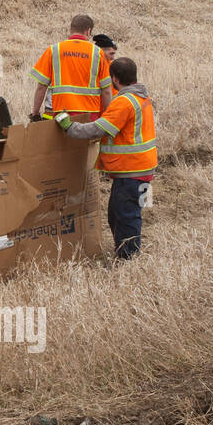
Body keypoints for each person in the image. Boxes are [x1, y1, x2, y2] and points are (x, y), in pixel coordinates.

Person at [54, 56, 157, 260]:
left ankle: (128, 259)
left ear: (115, 79)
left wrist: (70, 127)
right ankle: (127, 252)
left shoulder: (124, 102)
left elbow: (98, 129)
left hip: (131, 170)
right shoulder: (141, 96)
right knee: (121, 214)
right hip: (141, 168)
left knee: (125, 216)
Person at [29, 15, 112, 123]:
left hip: (62, 115)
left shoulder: (54, 50)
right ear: (88, 31)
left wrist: (35, 113)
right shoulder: (98, 53)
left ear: (70, 29)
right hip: (90, 115)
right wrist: (108, 117)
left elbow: (41, 87)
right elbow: (106, 90)